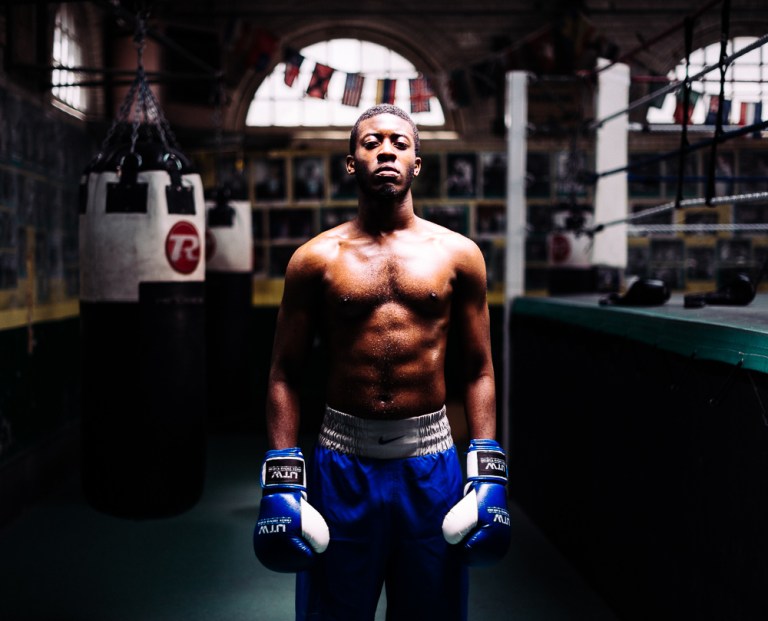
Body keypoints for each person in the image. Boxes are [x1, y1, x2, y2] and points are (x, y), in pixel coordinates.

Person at [253, 104, 511, 621]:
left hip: (431, 464)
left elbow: (480, 369)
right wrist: (282, 477)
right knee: (333, 612)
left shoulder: (459, 255)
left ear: (418, 162)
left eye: (399, 142)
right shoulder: (315, 259)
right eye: (371, 143)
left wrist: (488, 472)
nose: (386, 150)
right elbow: (284, 373)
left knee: (432, 611)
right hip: (342, 462)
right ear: (352, 163)